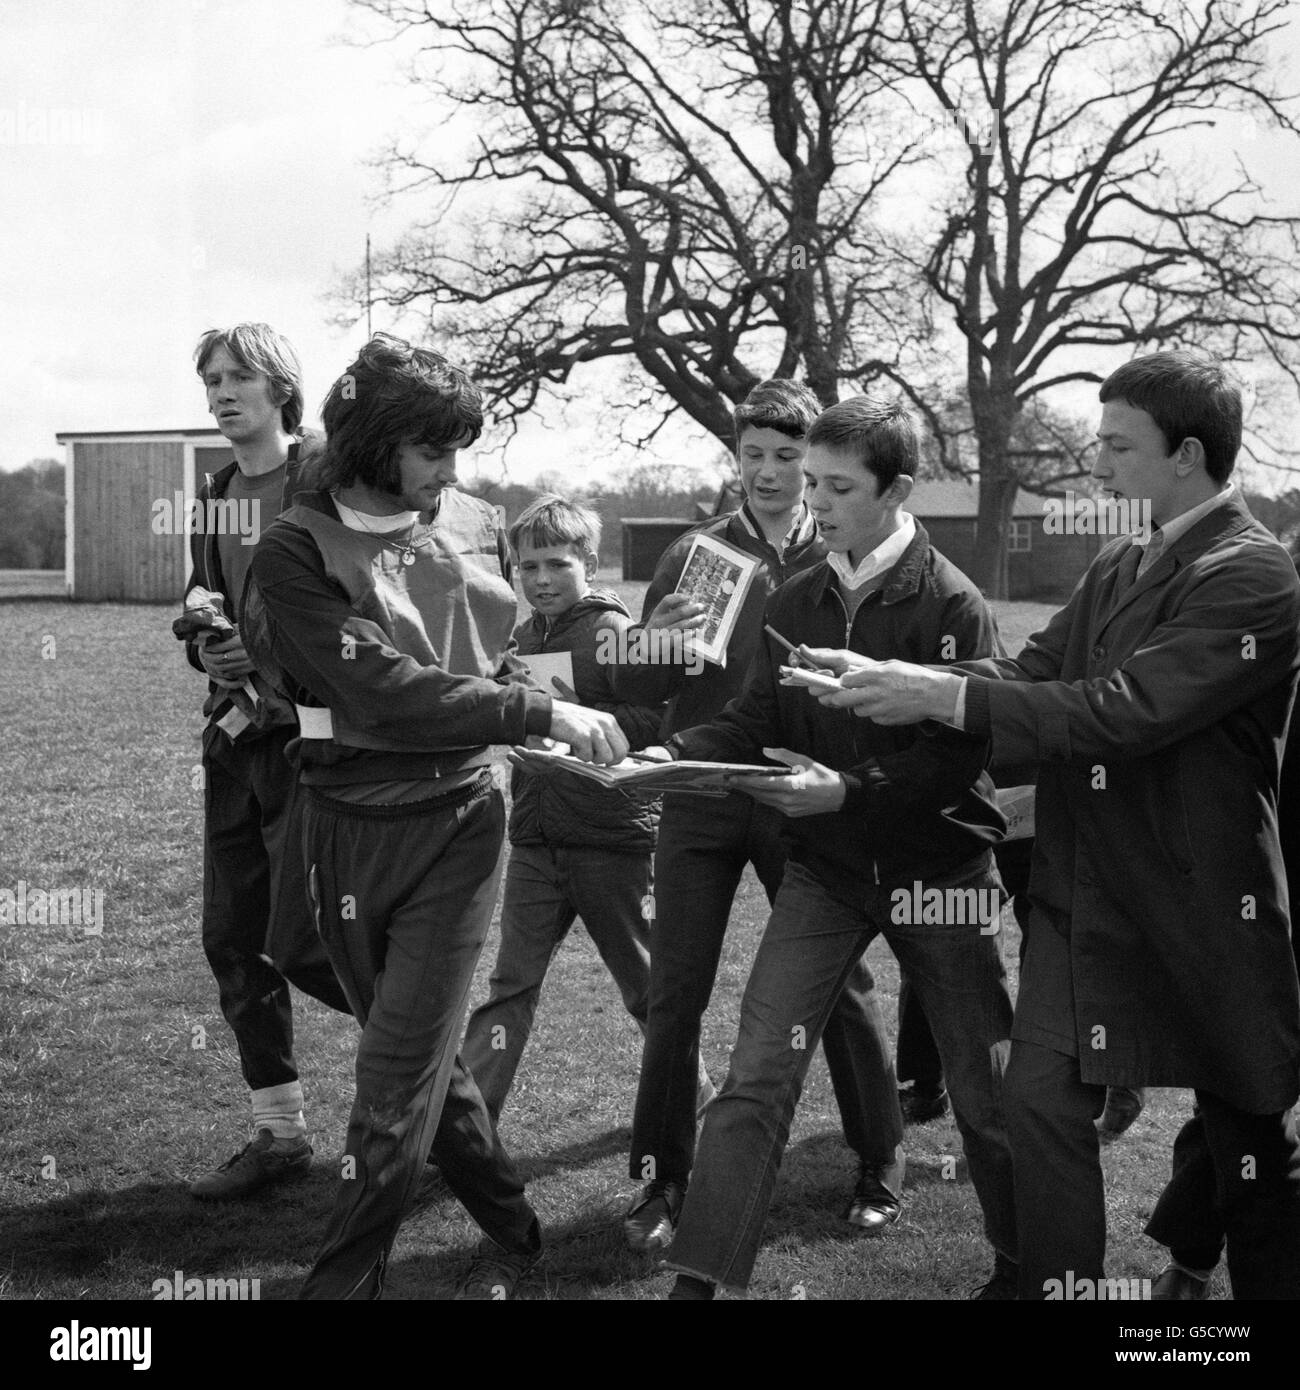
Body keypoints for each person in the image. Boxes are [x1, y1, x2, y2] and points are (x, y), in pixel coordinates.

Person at [818, 350, 1300, 1300]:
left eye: (1118, 445)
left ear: (1188, 456)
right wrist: (896, 688)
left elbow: (1124, 712)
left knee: (1249, 1136)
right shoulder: (1122, 557)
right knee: (1037, 1106)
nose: (1099, 463)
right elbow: (1034, 677)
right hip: (1087, 892)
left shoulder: (1255, 575)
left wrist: (946, 695)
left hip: (1205, 905)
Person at [244, 334, 628, 1300]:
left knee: (390, 1081)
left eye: (458, 454)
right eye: (434, 454)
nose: (451, 476)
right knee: (392, 1032)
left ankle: (339, 1282)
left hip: (460, 821)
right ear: (376, 442)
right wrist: (534, 710)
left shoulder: (464, 520)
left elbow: (481, 654)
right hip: (342, 820)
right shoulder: (294, 547)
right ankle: (508, 1210)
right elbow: (381, 689)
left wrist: (531, 709)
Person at [651, 395, 1018, 1300]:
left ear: (897, 492)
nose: (811, 499)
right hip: (827, 873)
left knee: (985, 1088)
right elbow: (758, 715)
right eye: (808, 480)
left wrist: (848, 790)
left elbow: (951, 761)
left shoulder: (954, 605)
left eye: (835, 485)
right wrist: (666, 755)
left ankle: (1027, 1271)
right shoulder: (797, 590)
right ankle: (701, 1281)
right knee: (756, 1075)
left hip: (942, 879)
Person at [613, 380, 906, 1255]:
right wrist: (653, 639)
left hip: (795, 797)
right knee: (676, 993)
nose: (772, 473)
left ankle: (879, 1160)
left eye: (790, 457)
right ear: (734, 457)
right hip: (703, 797)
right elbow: (637, 688)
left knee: (840, 987)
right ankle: (664, 1180)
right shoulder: (693, 551)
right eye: (755, 456)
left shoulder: (842, 550)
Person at [461, 495, 708, 1120]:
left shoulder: (612, 631)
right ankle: (464, 1125)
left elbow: (652, 719)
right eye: (527, 568)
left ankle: (697, 1099)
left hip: (611, 838)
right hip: (537, 839)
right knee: (508, 988)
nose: (541, 580)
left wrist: (571, 727)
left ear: (589, 563)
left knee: (645, 988)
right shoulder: (519, 635)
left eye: (556, 565)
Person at [182, 323, 351, 1203]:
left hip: (312, 743)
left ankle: (437, 1067)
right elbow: (201, 599)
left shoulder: (322, 478)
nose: (222, 390)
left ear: (281, 385)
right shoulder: (213, 493)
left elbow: (357, 604)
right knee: (231, 937)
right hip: (233, 739)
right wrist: (207, 647)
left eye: (238, 374)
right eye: (211, 377)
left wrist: (265, 650)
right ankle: (279, 1134)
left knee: (311, 941)